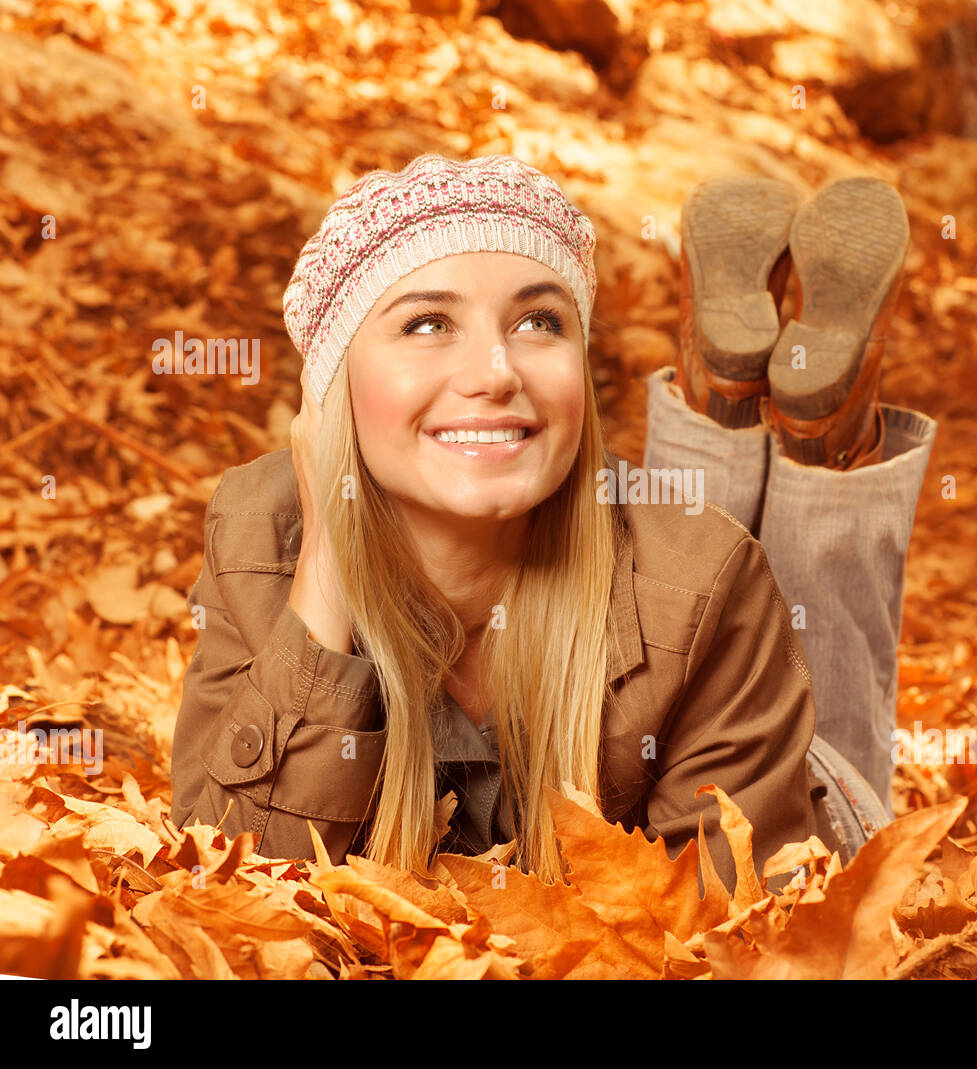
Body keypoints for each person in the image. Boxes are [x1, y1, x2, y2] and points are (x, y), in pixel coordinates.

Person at [169, 153, 935, 897]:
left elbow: (726, 942)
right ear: (332, 387)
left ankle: (811, 439)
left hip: (794, 802)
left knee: (785, 653)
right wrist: (329, 575)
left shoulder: (706, 575)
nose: (497, 371)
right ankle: (769, 408)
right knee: (695, 558)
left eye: (539, 320)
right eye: (429, 323)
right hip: (698, 627)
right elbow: (230, 899)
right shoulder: (259, 538)